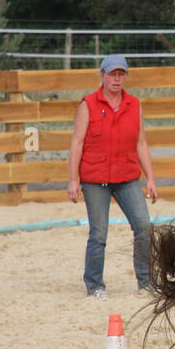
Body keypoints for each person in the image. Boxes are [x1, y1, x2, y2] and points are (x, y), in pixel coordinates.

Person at [67, 54, 159, 299]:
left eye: (121, 74)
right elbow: (77, 143)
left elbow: (141, 143)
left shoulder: (134, 105)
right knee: (99, 233)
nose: (117, 79)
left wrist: (150, 178)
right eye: (112, 74)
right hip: (95, 179)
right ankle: (95, 285)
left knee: (143, 226)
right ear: (103, 76)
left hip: (127, 177)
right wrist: (73, 180)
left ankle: (146, 281)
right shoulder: (87, 105)